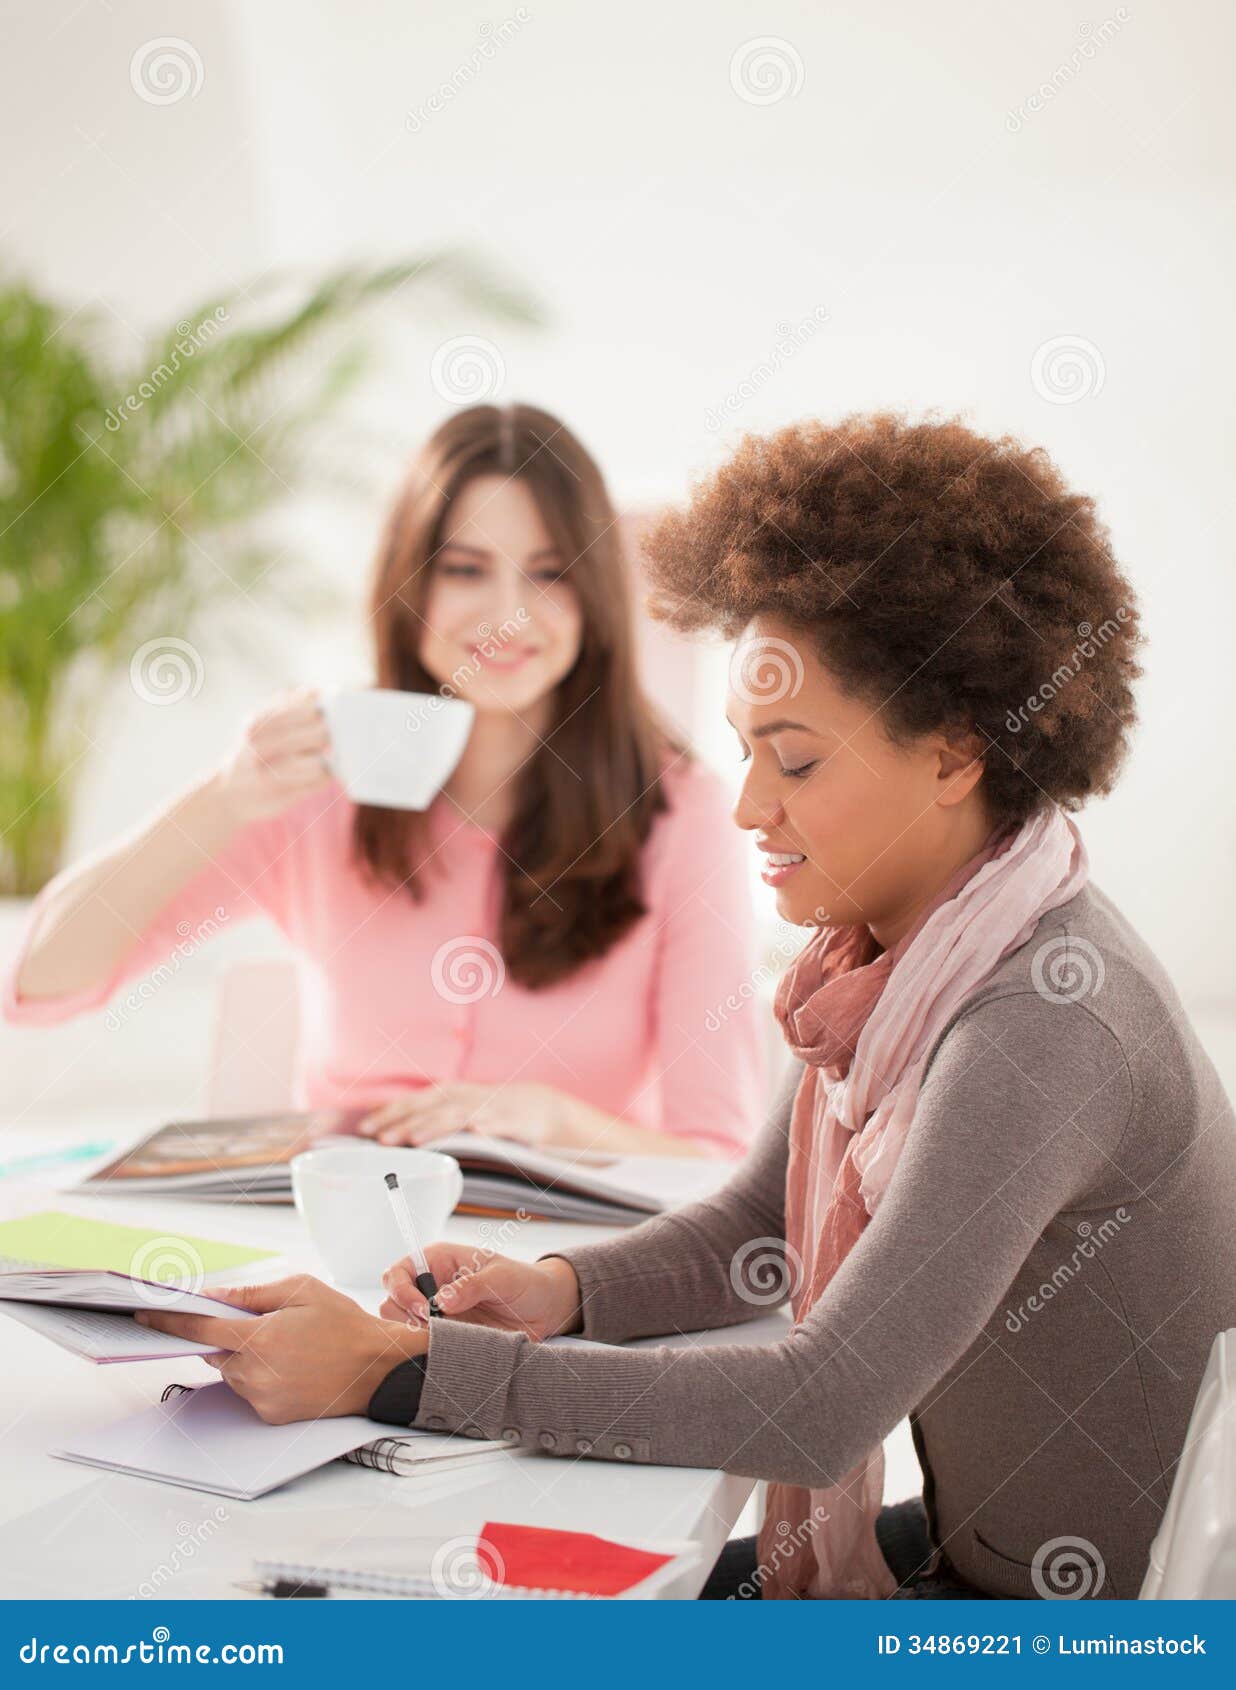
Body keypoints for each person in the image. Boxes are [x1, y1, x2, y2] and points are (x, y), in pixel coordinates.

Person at [135, 413, 1236, 1600]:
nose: (749, 804)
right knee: (465, 1601)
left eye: (797, 760)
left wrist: (397, 1371)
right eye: (744, 752)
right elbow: (761, 1224)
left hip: (1064, 1634)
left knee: (450, 1630)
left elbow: (820, 1405)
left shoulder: (1041, 1025)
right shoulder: (892, 960)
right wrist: (563, 1288)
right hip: (971, 1564)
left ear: (957, 753)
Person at [3, 404, 765, 1158]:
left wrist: (555, 1123)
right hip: (341, 1253)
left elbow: (717, 1157)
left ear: (594, 594)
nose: (507, 615)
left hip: (555, 1264)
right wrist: (221, 801)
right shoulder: (320, 784)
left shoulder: (681, 814)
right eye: (465, 569)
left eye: (549, 574)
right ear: (410, 584)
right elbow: (40, 983)